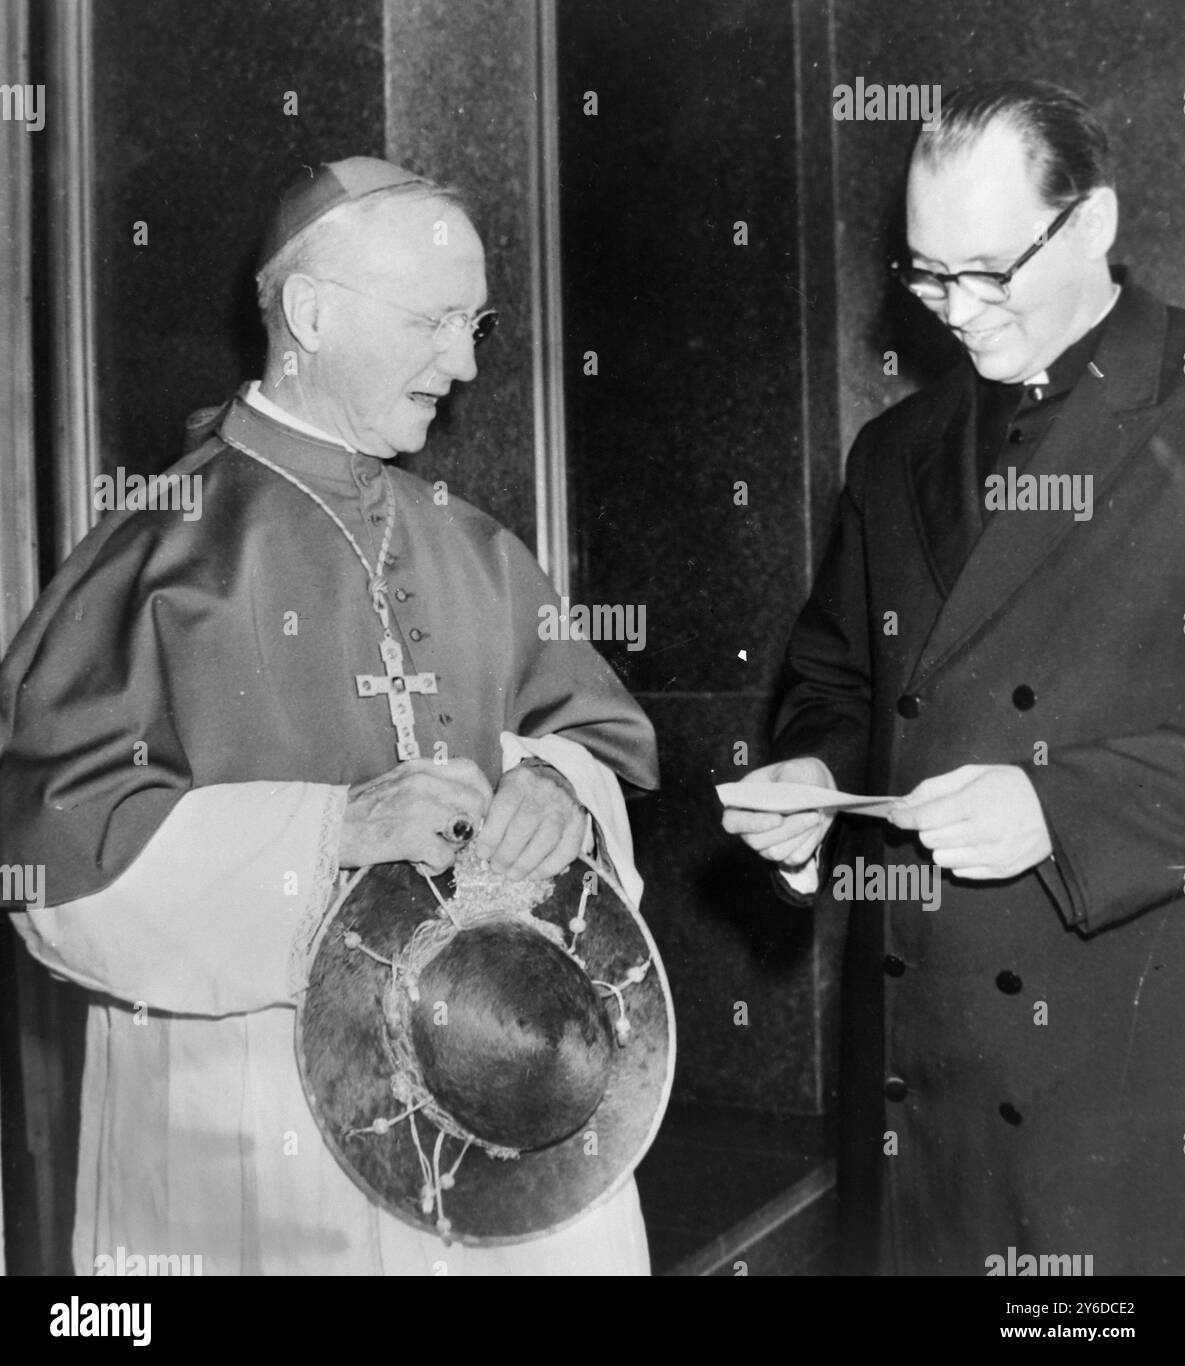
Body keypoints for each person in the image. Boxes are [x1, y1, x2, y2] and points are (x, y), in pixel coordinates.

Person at [0, 157, 659, 1275]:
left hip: (498, 1092)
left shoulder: (472, 542)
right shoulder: (159, 555)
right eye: (435, 321)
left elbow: (589, 734)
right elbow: (53, 871)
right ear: (310, 314)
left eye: (476, 323)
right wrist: (328, 836)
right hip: (254, 1123)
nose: (462, 362)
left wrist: (556, 789)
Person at [723, 80, 1185, 1275]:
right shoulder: (895, 451)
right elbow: (832, 676)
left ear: (1091, 226)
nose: (957, 313)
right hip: (919, 1092)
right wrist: (811, 781)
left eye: (990, 271)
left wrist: (1059, 807)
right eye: (929, 277)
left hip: (1129, 1089)